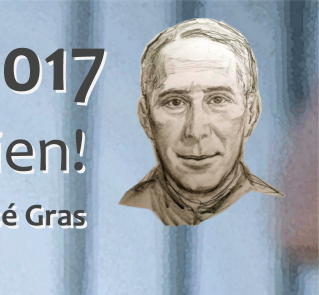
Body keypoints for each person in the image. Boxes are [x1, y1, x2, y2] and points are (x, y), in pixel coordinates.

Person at [120, 17, 282, 227]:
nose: (196, 131)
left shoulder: (290, 222)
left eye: (218, 100)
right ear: (145, 117)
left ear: (251, 113)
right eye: (175, 102)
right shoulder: (117, 216)